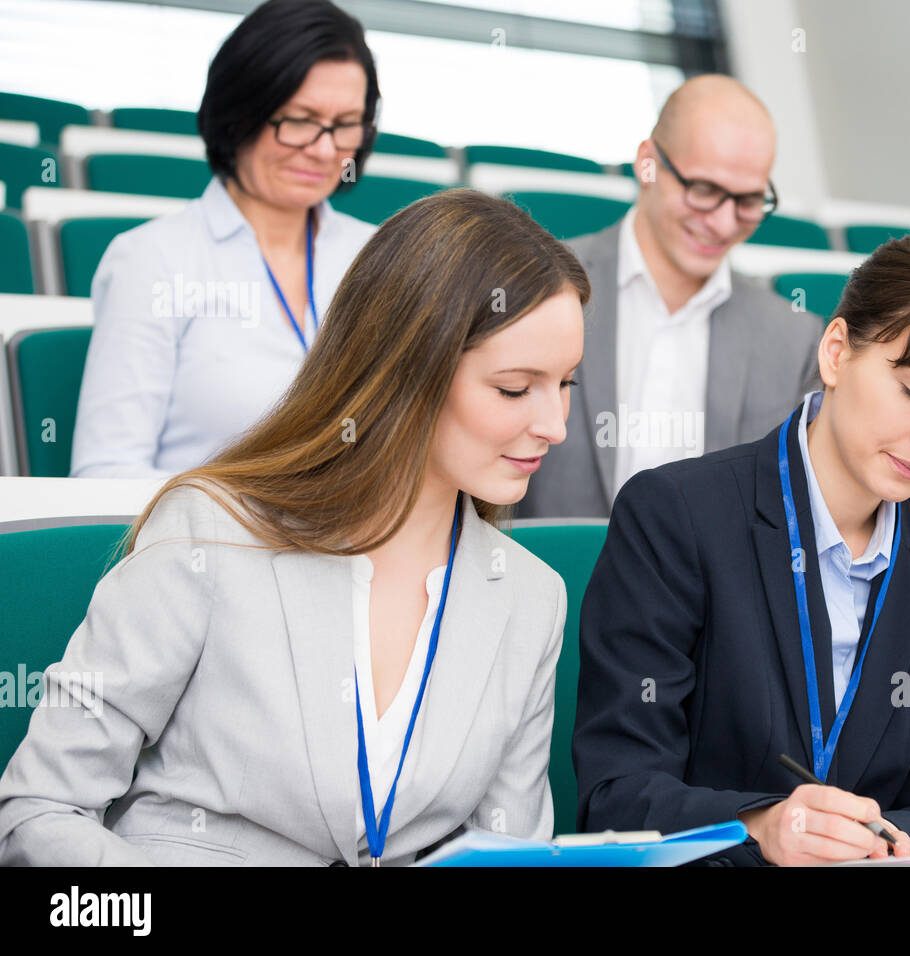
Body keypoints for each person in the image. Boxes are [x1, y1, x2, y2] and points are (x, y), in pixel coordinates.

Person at [0, 189, 588, 866]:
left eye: (568, 383)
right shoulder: (211, 531)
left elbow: (510, 851)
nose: (556, 425)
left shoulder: (530, 595)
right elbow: (38, 811)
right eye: (516, 388)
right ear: (406, 368)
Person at [573, 233, 910, 866]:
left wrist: (894, 845)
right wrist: (761, 827)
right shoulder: (675, 516)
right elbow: (616, 796)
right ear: (837, 351)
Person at [70, 0, 379, 478]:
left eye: (344, 126)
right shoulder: (152, 259)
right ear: (239, 116)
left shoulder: (381, 255)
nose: (324, 149)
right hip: (210, 546)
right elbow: (106, 472)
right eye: (299, 120)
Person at [515, 74, 824, 518]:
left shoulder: (793, 339)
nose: (723, 223)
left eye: (749, 200)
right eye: (703, 190)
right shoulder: (534, 283)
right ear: (647, 165)